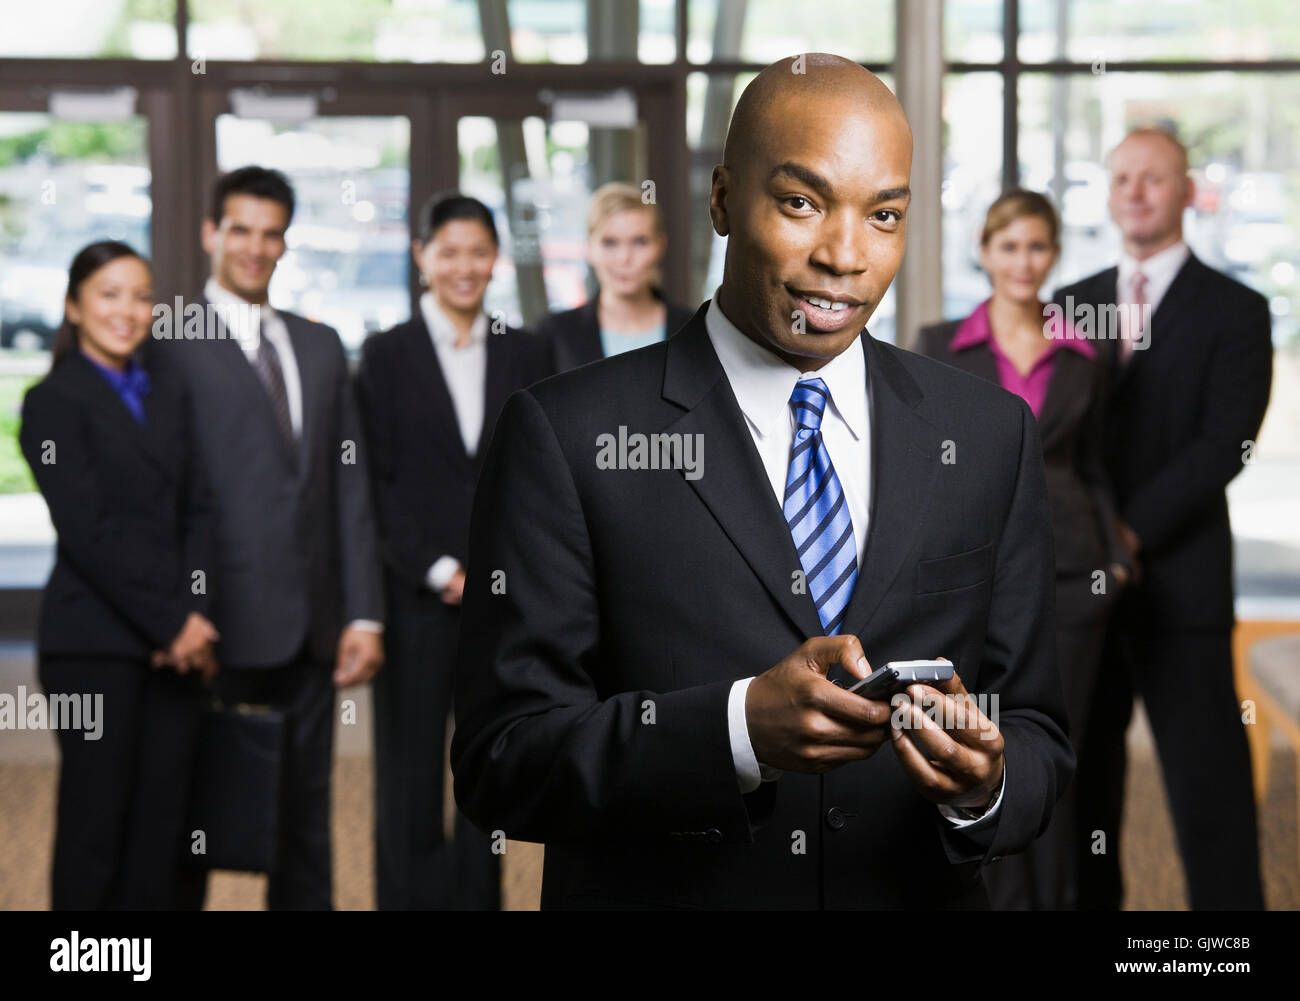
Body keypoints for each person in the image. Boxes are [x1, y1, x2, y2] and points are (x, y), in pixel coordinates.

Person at [451, 54, 1073, 910]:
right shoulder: (567, 433)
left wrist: (985, 783)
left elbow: (1038, 730)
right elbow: (503, 759)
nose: (845, 255)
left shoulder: (989, 435)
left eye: (883, 214)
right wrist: (737, 729)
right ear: (720, 200)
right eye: (801, 202)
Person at [149, 166, 385, 910]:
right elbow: (158, 494)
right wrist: (171, 610)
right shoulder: (168, 341)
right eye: (241, 229)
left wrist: (364, 612)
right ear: (211, 234)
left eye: (271, 232)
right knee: (194, 827)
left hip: (312, 633)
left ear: (285, 242)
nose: (256, 247)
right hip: (208, 629)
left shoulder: (318, 346)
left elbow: (347, 483)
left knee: (303, 831)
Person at [1055, 128, 1272, 910]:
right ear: (1108, 194)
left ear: (1185, 191)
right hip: (1081, 588)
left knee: (1208, 785)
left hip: (1182, 583)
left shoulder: (1237, 309)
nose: (1136, 192)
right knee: (1085, 793)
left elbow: (1226, 444)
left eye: (1153, 178)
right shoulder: (1069, 306)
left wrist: (1129, 532)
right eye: (1122, 179)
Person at [915, 190, 1128, 909]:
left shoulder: (1083, 351)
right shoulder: (940, 345)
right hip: (973, 569)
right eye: (1008, 247)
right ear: (984, 251)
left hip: (1074, 574)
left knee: (1050, 751)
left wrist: (1117, 556)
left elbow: (1094, 467)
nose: (1023, 262)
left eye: (1037, 247)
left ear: (1054, 254)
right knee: (982, 740)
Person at [356, 192, 545, 910]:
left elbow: (537, 478)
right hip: (415, 602)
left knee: (485, 772)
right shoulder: (384, 354)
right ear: (422, 257)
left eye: (477, 252)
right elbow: (374, 482)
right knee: (406, 778)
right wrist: (439, 569)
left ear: (494, 259)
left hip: (499, 607)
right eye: (448, 251)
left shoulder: (526, 350)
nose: (463, 267)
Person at [19, 241, 219, 909]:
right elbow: (88, 532)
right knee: (95, 830)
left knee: (165, 832)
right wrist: (171, 620)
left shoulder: (166, 393)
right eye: (109, 294)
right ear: (74, 306)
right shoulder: (51, 401)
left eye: (140, 296)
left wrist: (192, 614)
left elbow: (199, 508)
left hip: (177, 647)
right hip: (95, 647)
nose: (127, 311)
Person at [535, 181, 693, 373]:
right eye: (610, 243)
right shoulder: (555, 334)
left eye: (639, 242)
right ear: (589, 248)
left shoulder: (693, 331)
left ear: (660, 247)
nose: (624, 258)